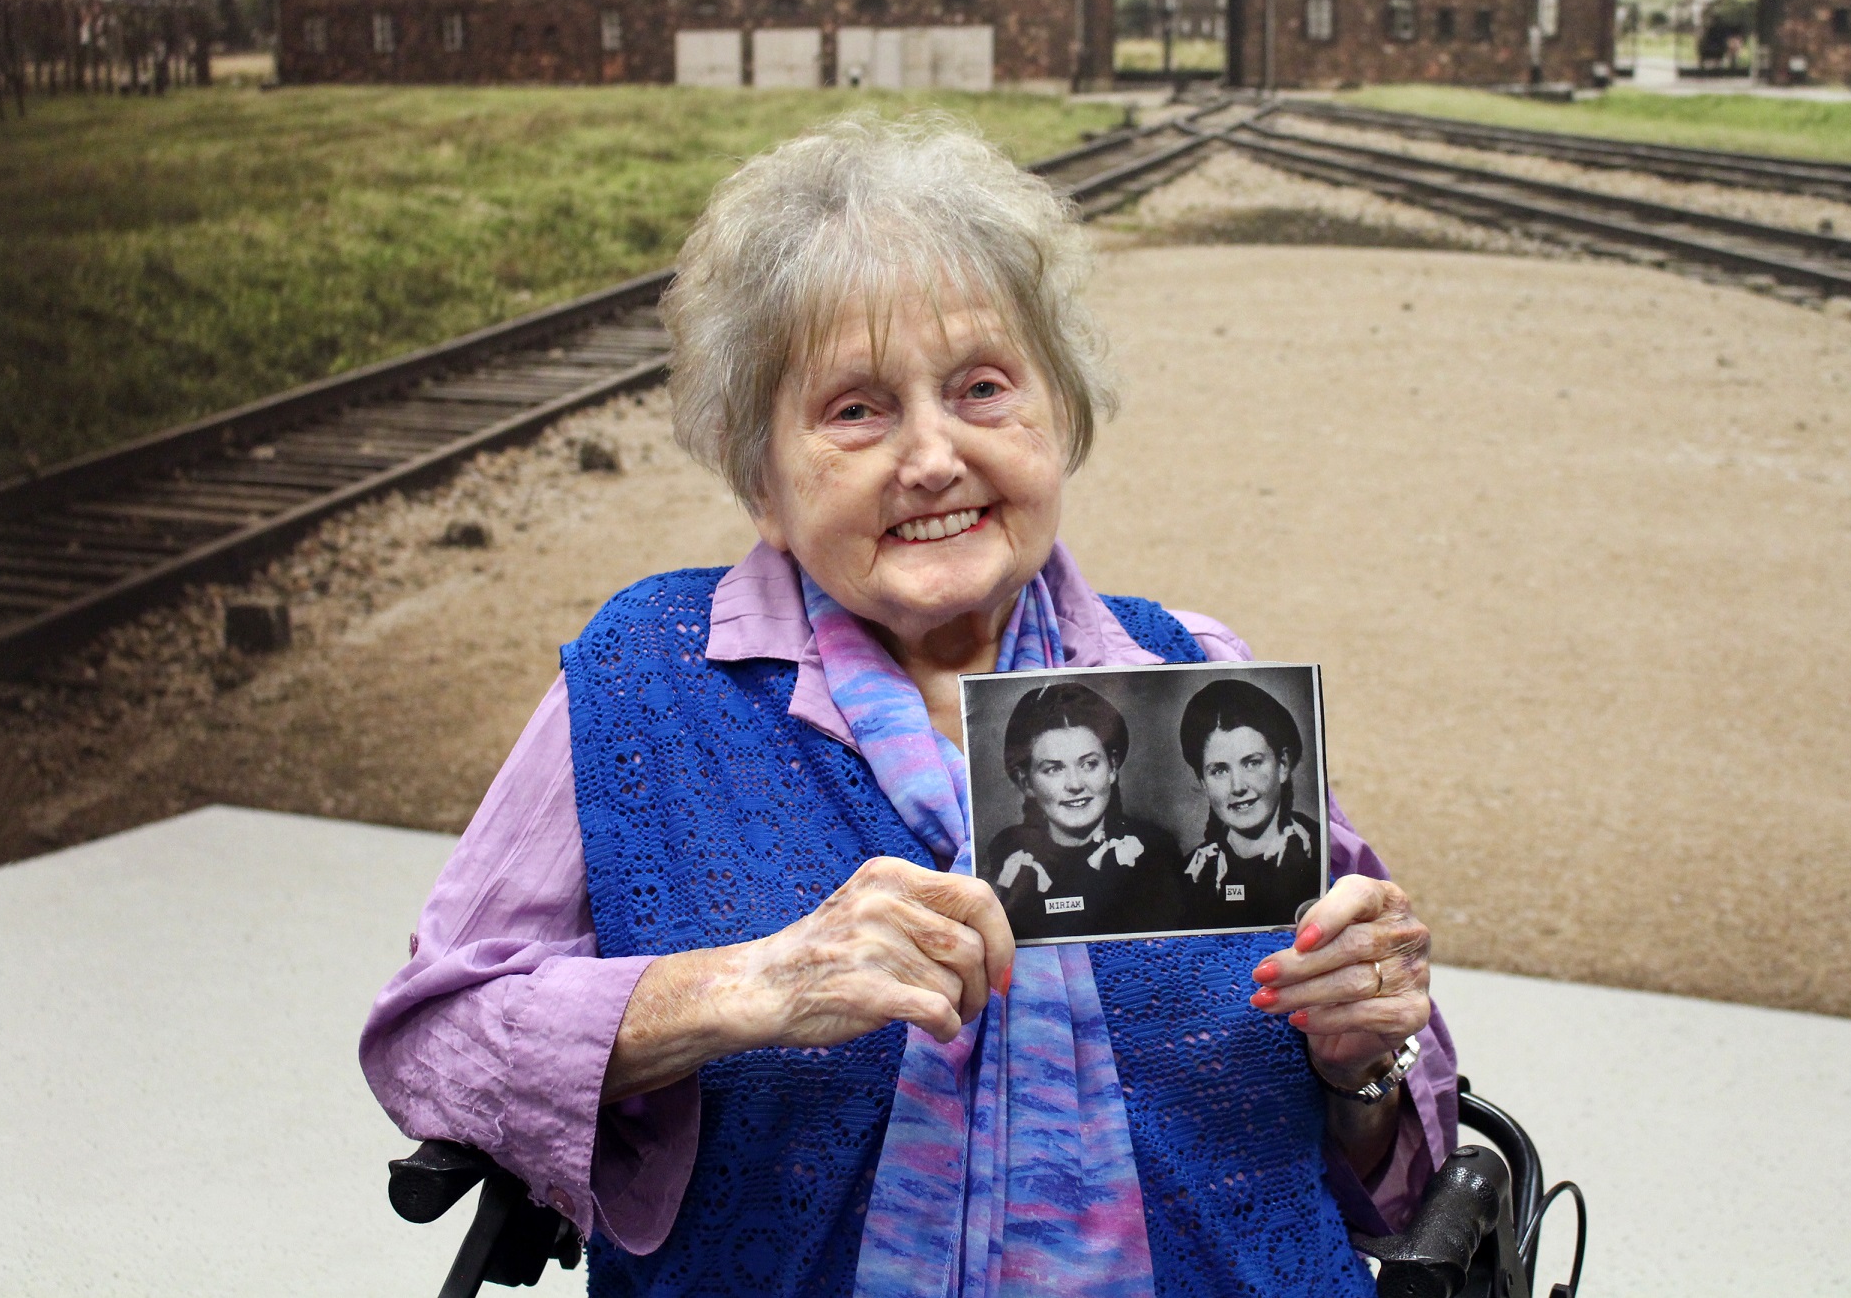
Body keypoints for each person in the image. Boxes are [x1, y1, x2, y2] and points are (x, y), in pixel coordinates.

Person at [360, 114, 1457, 1298]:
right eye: (856, 409)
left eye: (982, 388)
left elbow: (1396, 1177)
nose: (932, 457)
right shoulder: (646, 679)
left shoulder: (1193, 675)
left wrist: (1362, 1058)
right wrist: (746, 987)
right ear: (760, 479)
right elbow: (431, 1041)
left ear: (1059, 415)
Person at [984, 681, 1182, 941]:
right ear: (1026, 782)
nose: (1075, 784)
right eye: (1054, 769)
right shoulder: (1007, 854)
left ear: (1112, 767)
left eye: (1089, 764)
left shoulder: (1154, 851)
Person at [1178, 678, 1325, 931]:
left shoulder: (1320, 851)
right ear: (1202, 781)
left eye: (1252, 763)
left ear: (1282, 765)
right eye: (1219, 771)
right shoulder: (1192, 875)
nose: (1238, 786)